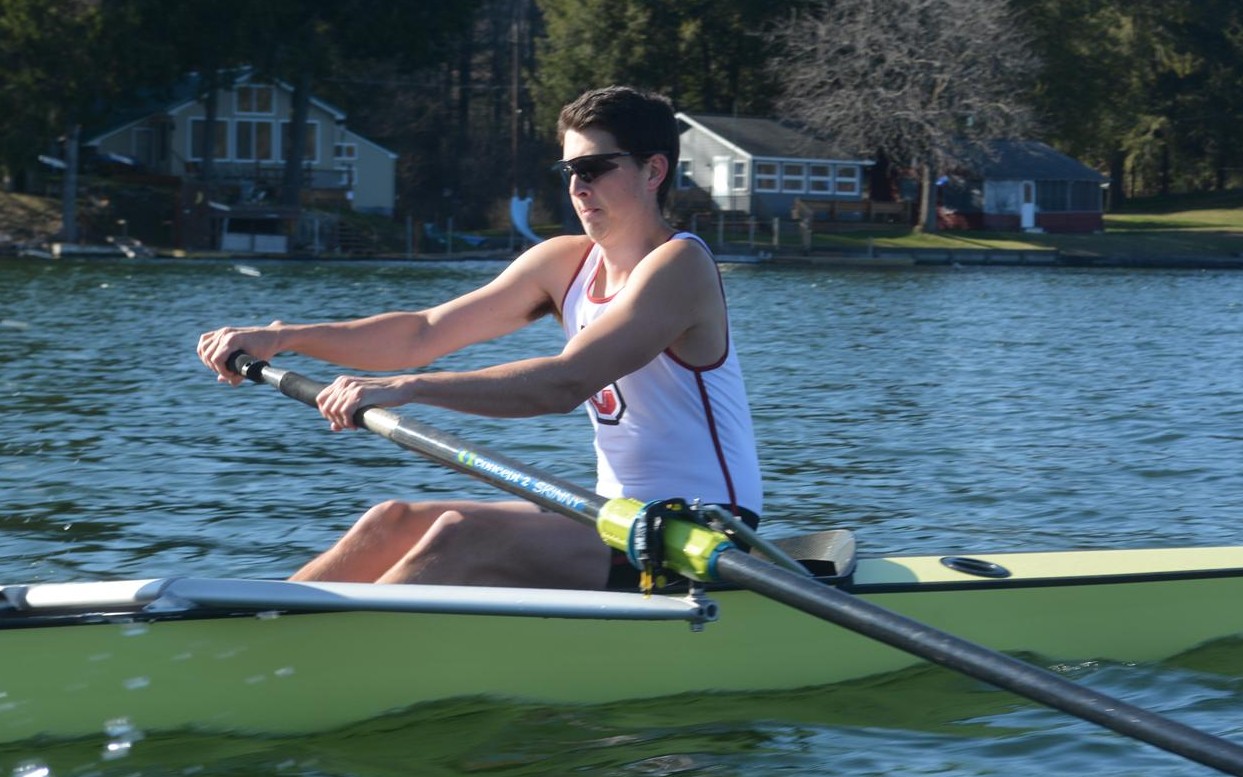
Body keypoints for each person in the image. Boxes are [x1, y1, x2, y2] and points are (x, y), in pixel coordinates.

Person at [197, 85, 763, 590]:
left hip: (700, 531)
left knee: (462, 534)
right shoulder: (563, 263)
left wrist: (407, 390)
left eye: (593, 168)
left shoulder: (680, 266)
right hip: (614, 516)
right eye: (567, 172)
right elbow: (421, 333)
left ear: (654, 171)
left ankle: (322, 661)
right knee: (390, 520)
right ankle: (262, 627)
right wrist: (282, 337)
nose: (578, 186)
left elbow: (566, 382)